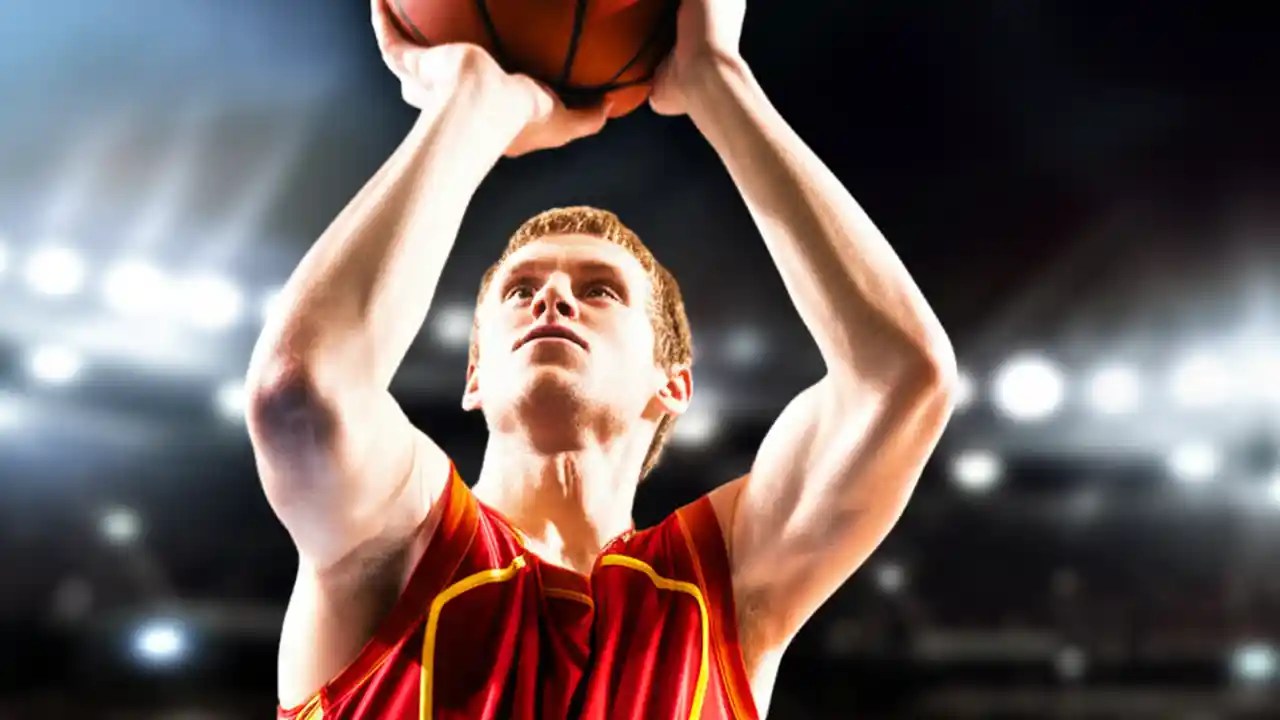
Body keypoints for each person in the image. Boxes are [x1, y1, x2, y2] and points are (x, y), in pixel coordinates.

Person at [245, 0, 957, 717]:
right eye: (521, 289)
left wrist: (719, 82)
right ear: (474, 376)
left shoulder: (722, 587)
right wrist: (469, 108)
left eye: (599, 290)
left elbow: (902, 378)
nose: (551, 297)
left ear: (672, 383)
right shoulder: (400, 541)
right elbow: (300, 393)